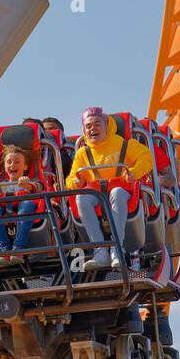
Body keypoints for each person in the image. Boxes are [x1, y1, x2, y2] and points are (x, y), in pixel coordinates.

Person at [65, 107, 151, 271]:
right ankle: (100, 251)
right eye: (88, 126)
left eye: (97, 124)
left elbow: (146, 156)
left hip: (122, 190)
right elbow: (70, 180)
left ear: (107, 125)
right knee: (81, 199)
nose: (93, 129)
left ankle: (117, 249)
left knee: (116, 193)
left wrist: (134, 173)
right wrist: (76, 182)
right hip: (96, 193)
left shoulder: (121, 144)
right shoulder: (82, 153)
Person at [0, 144, 40, 262]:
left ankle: (18, 249)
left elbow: (37, 188)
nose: (12, 165)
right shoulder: (0, 185)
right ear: (5, 166)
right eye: (9, 162)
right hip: (4, 213)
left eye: (17, 162)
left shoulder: (32, 181)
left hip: (25, 211)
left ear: (25, 167)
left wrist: (28, 186)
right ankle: (4, 250)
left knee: (27, 204)